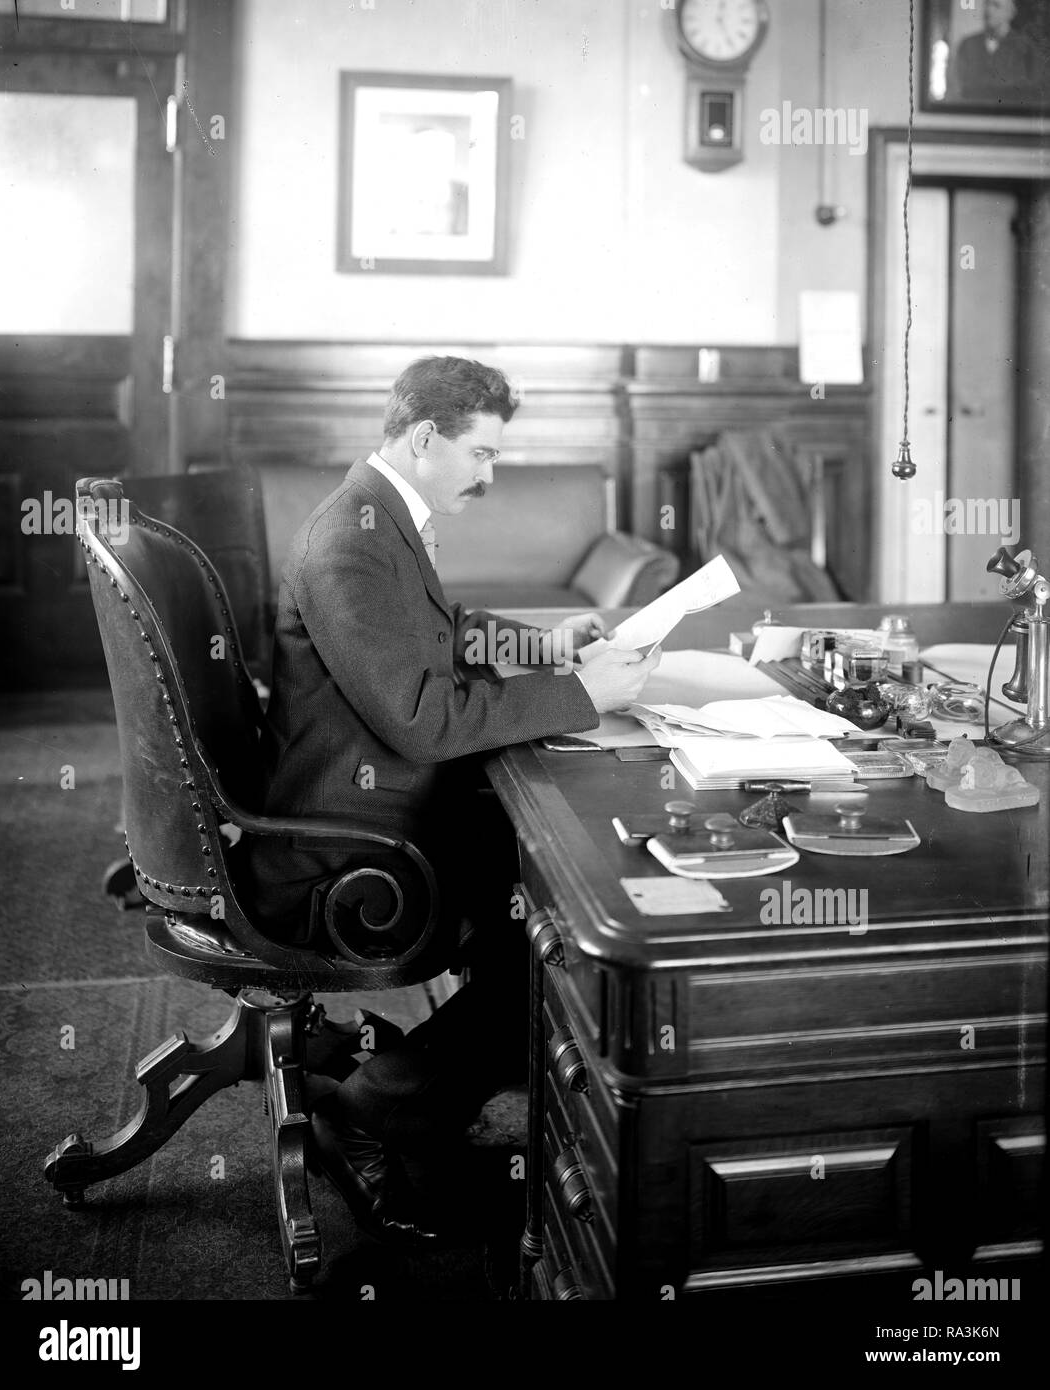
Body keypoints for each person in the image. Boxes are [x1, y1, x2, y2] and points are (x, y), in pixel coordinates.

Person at [248, 355, 659, 1244]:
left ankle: (410, 1092)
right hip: (352, 840)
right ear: (426, 437)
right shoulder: (353, 540)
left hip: (381, 804)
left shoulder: (380, 512)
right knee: (557, 939)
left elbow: (442, 633)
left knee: (548, 912)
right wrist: (590, 695)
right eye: (481, 454)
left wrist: (554, 646)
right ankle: (379, 1105)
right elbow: (424, 720)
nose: (489, 474)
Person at [947, 0, 1040, 105]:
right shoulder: (968, 44)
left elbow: (1033, 91)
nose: (988, 10)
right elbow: (956, 86)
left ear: (1011, 12)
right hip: (973, 113)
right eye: (986, 4)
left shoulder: (1025, 48)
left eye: (996, 5)